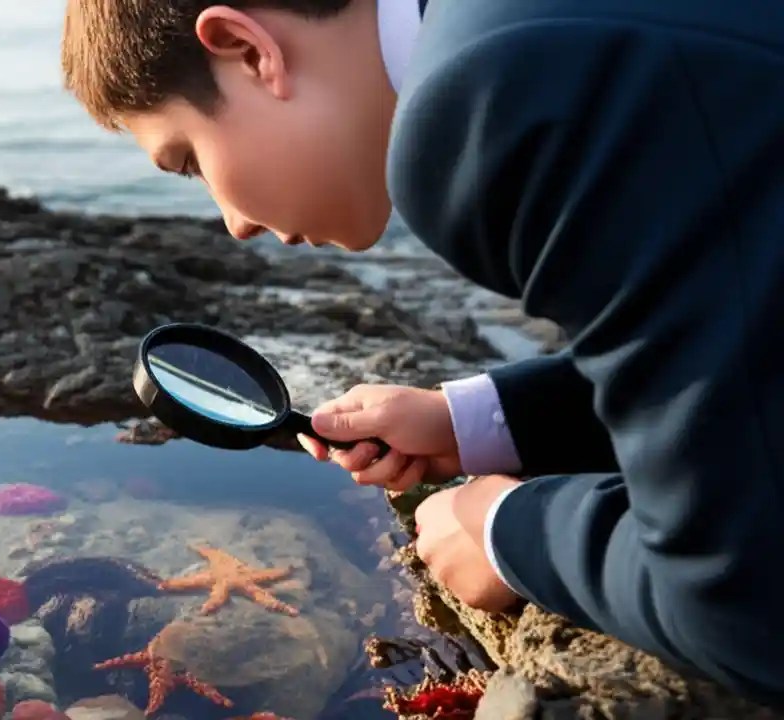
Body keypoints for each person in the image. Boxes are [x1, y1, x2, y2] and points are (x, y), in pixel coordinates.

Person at [58, 0, 784, 708]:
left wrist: (506, 530)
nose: (236, 224)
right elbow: (744, 343)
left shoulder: (482, 100)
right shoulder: (521, 29)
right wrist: (473, 420)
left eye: (187, 159)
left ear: (248, 50)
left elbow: (749, 604)